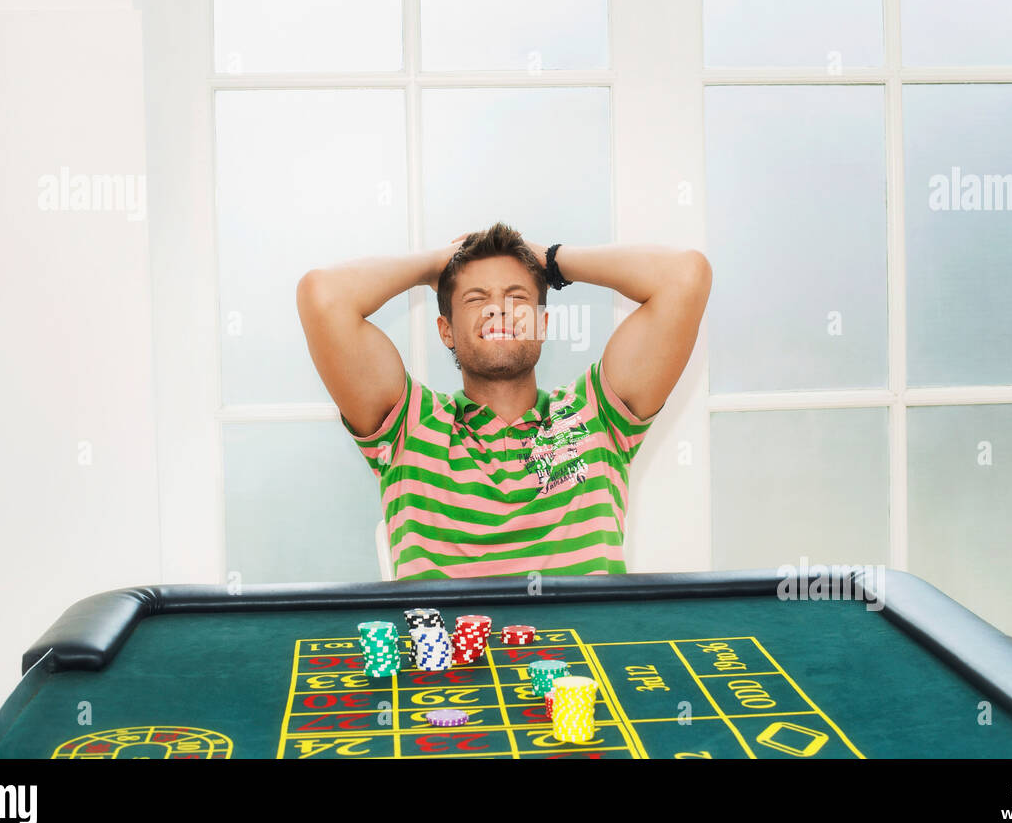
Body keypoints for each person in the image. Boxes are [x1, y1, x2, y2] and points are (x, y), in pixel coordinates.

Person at [296, 221, 711, 580]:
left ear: (543, 324)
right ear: (446, 331)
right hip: (452, 673)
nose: (498, 309)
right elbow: (322, 295)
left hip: (585, 667)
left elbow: (686, 276)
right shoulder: (408, 425)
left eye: (516, 298)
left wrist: (551, 259)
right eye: (476, 299)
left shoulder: (595, 415)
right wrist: (436, 264)